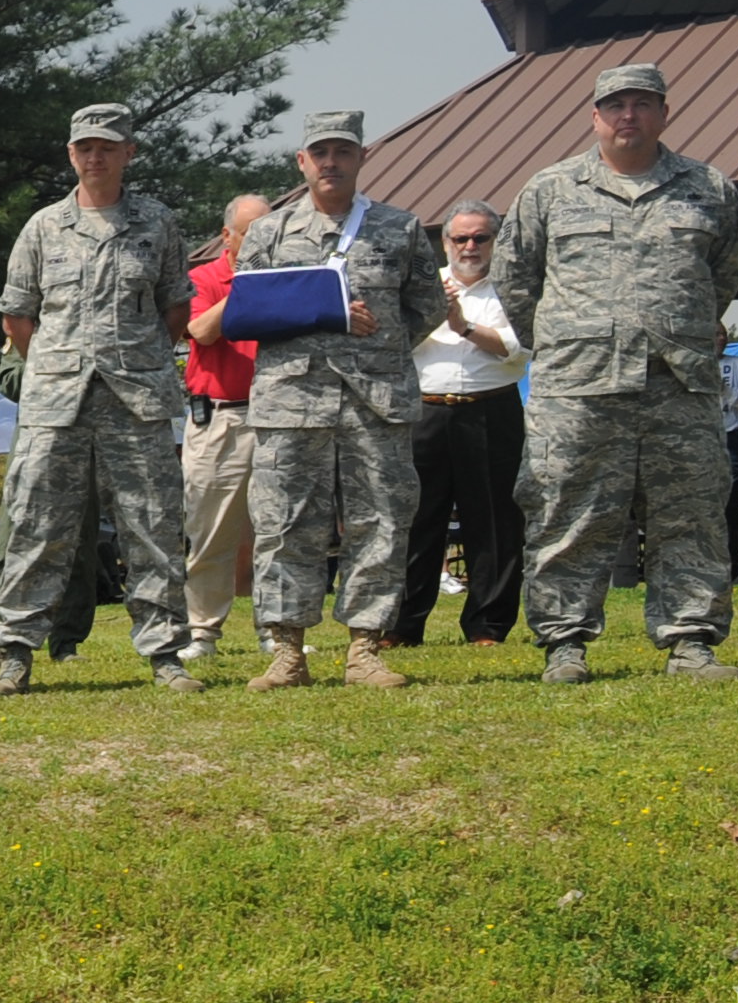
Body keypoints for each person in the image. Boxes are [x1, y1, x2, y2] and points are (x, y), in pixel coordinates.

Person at [503, 60, 738, 682]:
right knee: (567, 511)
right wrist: (566, 342)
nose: (628, 116)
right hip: (578, 388)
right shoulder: (550, 190)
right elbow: (515, 281)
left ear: (665, 114)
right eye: (616, 106)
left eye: (642, 104)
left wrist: (678, 328)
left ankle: (690, 640)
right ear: (595, 116)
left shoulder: (708, 188)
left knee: (690, 512)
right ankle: (564, 642)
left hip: (679, 383)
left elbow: (723, 275)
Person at [208, 111, 442, 690]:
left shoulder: (399, 228)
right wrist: (328, 317)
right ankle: (287, 651)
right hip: (292, 401)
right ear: (302, 162)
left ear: (360, 157)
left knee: (381, 520)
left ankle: (366, 648)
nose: (331, 162)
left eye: (343, 151)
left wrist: (381, 344)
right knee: (285, 523)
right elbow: (245, 313)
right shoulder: (269, 233)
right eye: (321, 152)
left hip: (375, 401)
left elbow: (428, 307)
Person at [0, 104, 198, 695]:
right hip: (57, 401)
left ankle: (165, 653)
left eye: (107, 146)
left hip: (137, 398)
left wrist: (134, 356)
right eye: (85, 148)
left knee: (152, 524)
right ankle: (15, 652)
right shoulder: (44, 226)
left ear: (129, 152)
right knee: (34, 525)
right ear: (71, 154)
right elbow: (18, 316)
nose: (95, 157)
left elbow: (174, 308)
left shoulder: (157, 223)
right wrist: (59, 367)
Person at [391, 209, 527, 648]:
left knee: (492, 522)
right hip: (425, 412)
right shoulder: (424, 287)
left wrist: (462, 325)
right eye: (461, 238)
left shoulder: (515, 287)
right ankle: (401, 625)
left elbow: (516, 351)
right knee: (415, 521)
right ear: (444, 243)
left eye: (480, 238)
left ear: (495, 242)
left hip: (491, 411)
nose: (470, 247)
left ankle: (487, 626)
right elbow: (392, 342)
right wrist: (433, 313)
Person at [181, 195, 268, 661]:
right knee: (210, 529)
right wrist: (247, 287)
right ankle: (202, 633)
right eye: (250, 233)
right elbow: (200, 330)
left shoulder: (285, 276)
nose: (259, 242)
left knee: (278, 530)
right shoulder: (204, 277)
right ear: (227, 235)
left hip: (278, 416)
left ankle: (276, 629)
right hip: (221, 419)